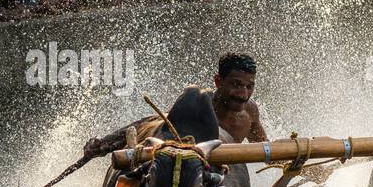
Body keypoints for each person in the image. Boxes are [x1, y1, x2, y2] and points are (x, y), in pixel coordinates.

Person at [84, 53, 267, 157]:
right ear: (218, 81)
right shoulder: (198, 105)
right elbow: (153, 123)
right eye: (236, 85)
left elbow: (266, 149)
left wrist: (293, 160)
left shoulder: (251, 112)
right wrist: (105, 144)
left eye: (249, 86)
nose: (243, 94)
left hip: (224, 181)